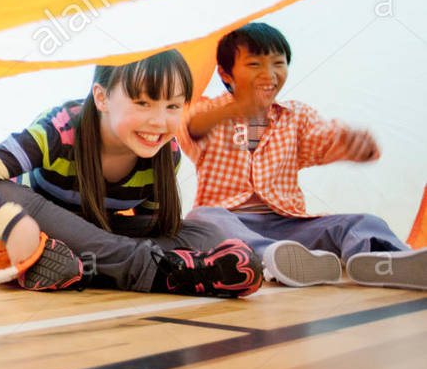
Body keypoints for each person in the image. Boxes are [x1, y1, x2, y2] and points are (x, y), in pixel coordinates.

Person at [0, 49, 262, 297]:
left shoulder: (167, 156)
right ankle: (147, 271)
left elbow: (155, 233)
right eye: (143, 103)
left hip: (93, 237)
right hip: (29, 235)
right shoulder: (60, 129)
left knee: (208, 234)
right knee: (3, 191)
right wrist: (11, 224)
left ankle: (83, 270)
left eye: (173, 107)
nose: (159, 122)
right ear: (102, 97)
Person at [181, 21, 425, 290]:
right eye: (254, 65)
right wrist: (237, 108)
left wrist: (351, 143)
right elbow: (193, 126)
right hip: (230, 222)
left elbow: (323, 139)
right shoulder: (208, 113)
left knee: (364, 222)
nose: (269, 74)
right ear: (226, 74)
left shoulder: (295, 116)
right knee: (202, 218)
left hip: (289, 225)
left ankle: (387, 261)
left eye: (278, 63)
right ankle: (273, 257)